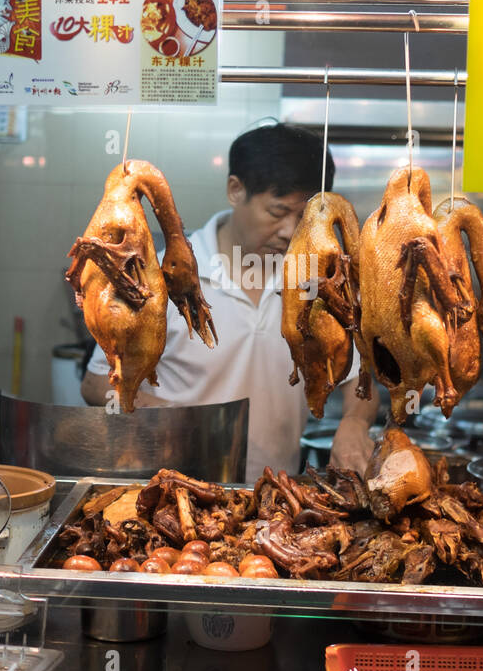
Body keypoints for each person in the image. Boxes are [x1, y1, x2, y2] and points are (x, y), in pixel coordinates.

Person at [81, 121, 377, 481]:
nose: (289, 231)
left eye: (303, 217)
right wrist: (168, 416)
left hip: (274, 497)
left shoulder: (320, 283)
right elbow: (96, 384)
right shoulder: (160, 277)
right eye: (278, 212)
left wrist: (354, 423)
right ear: (236, 190)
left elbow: (360, 386)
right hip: (172, 490)